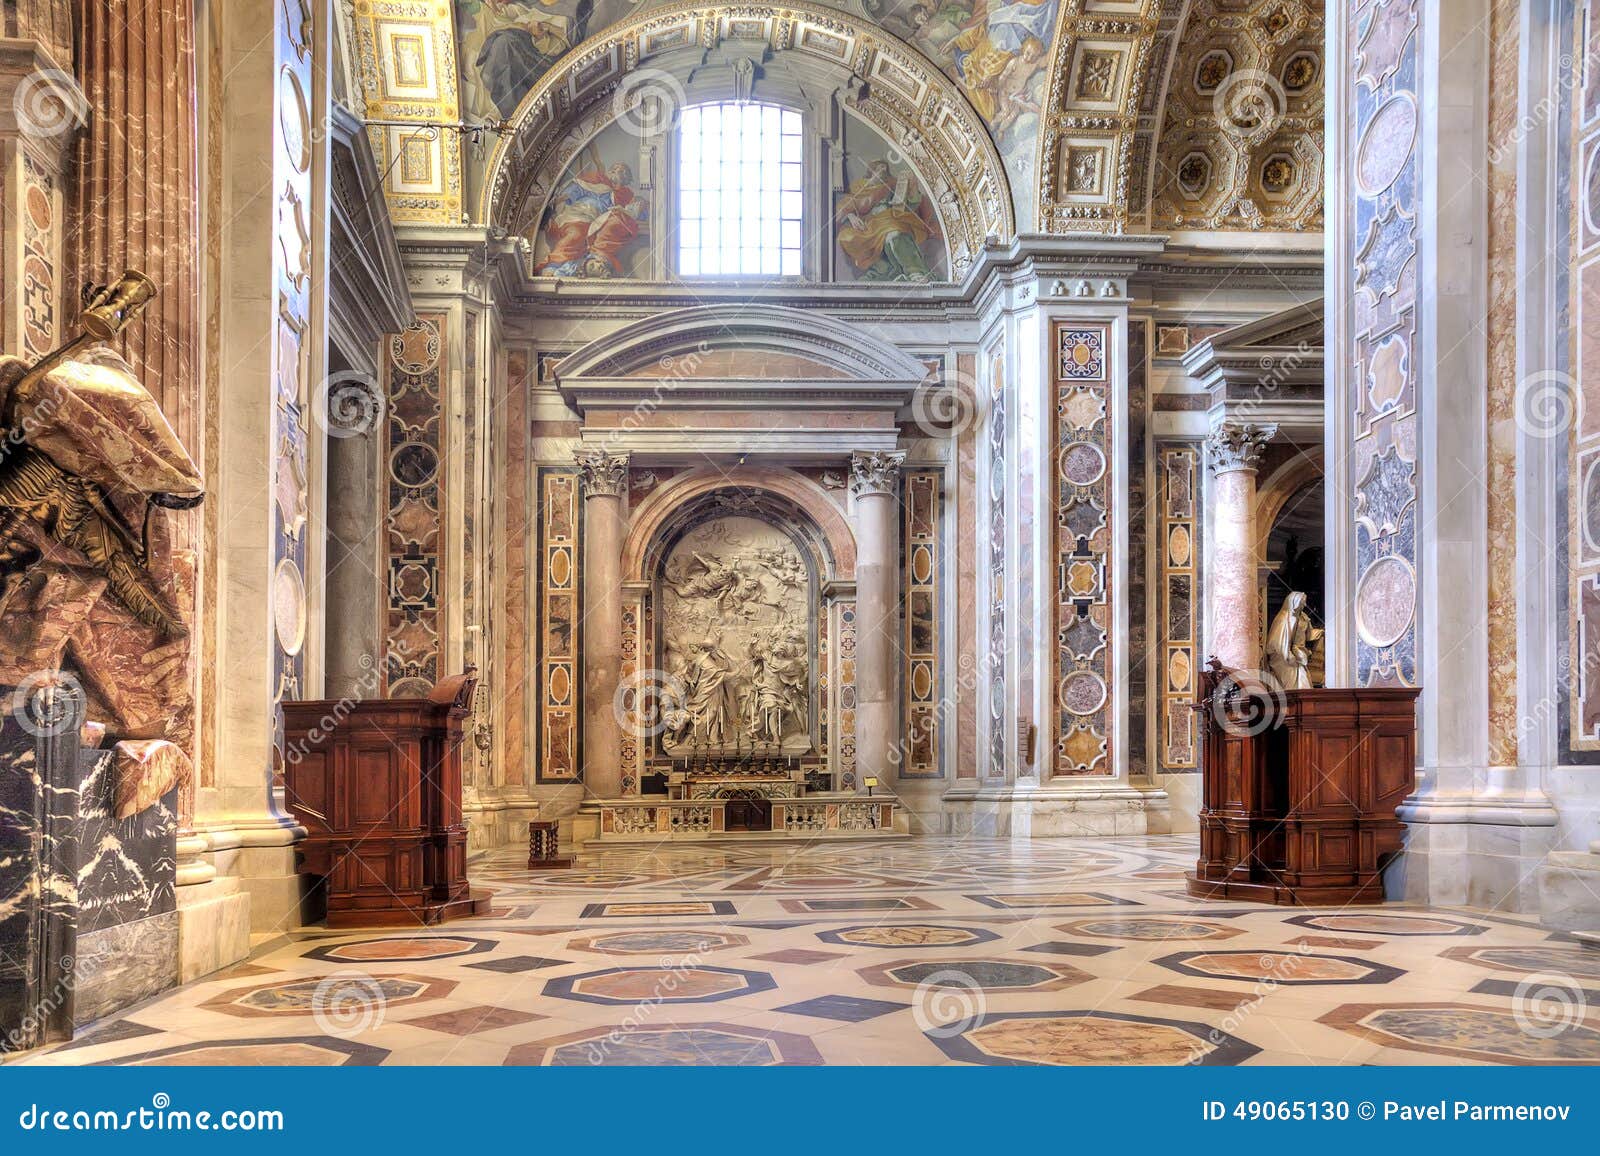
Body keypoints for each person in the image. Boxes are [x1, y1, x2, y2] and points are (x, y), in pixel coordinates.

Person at [534, 160, 648, 278]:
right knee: (576, 235)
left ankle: (585, 262)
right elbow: (575, 189)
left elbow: (636, 211)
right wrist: (564, 197)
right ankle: (553, 265)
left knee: (592, 236)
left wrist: (640, 205)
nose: (616, 174)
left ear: (625, 180)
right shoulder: (596, 179)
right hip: (577, 214)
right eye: (615, 170)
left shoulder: (623, 194)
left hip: (597, 223)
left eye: (621, 174)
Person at [836, 158, 939, 282]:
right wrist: (851, 216)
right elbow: (846, 204)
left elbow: (910, 205)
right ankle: (884, 270)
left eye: (885, 167)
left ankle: (915, 271)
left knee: (895, 234)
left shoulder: (892, 184)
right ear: (872, 170)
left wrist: (913, 187)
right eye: (879, 167)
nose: (883, 170)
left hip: (890, 218)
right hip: (869, 224)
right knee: (846, 237)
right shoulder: (859, 186)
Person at [1265, 590, 1315, 690]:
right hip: (1282, 657)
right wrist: (1289, 655)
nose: (1304, 605)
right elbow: (1278, 643)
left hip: (1295, 656)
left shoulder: (1300, 617)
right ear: (1295, 603)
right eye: (1302, 602)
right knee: (1292, 682)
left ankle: (1302, 698)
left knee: (1302, 678)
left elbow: (1308, 635)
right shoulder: (1283, 619)